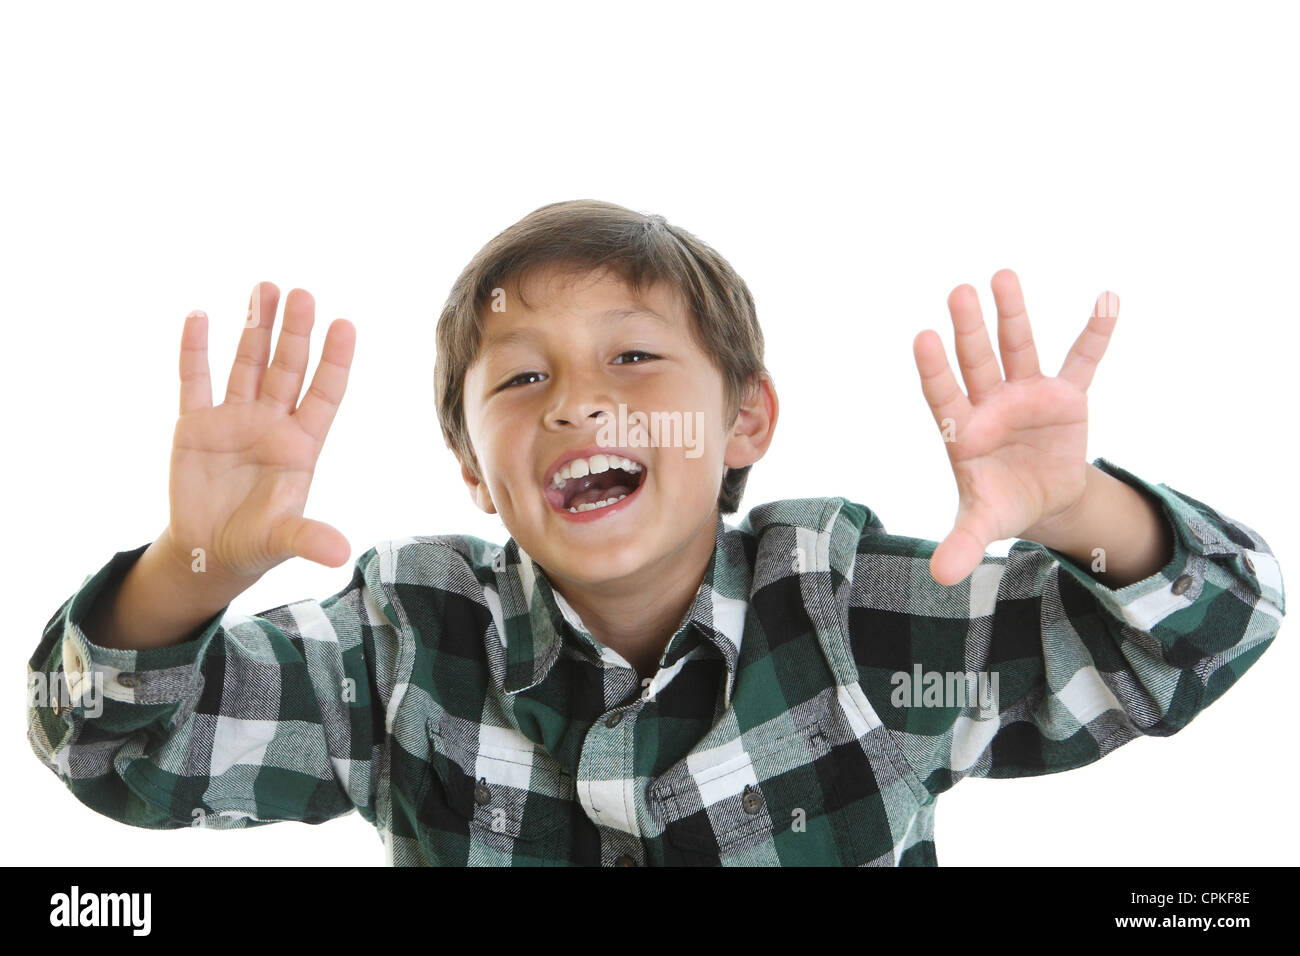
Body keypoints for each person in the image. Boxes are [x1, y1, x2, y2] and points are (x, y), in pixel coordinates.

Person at [27, 199, 1286, 865]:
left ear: (746, 421)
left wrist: (1075, 510)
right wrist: (191, 568)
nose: (577, 399)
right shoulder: (401, 634)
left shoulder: (853, 609)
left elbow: (1210, 629)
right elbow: (108, 749)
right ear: (473, 469)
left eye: (632, 357)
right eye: (520, 380)